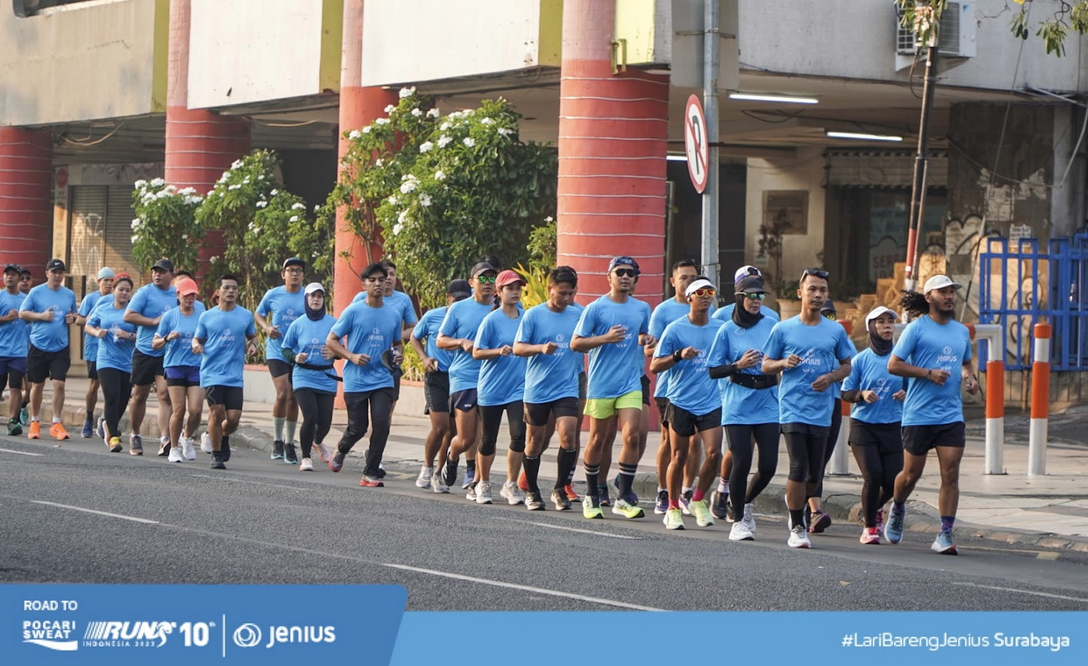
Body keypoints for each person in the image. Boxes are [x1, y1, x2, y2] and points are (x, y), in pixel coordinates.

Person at [885, 276, 979, 555]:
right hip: (918, 414)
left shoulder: (961, 331)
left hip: (950, 414)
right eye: (943, 292)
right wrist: (927, 373)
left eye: (952, 292)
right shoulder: (916, 329)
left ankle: (945, 534)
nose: (949, 296)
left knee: (950, 473)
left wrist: (970, 378)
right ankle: (898, 507)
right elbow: (893, 365)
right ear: (929, 297)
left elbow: (965, 362)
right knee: (911, 475)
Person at [761, 268, 855, 549]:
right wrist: (782, 364)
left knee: (815, 473)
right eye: (812, 289)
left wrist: (830, 377)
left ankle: (799, 510)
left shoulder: (835, 331)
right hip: (792, 408)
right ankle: (797, 525)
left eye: (822, 290)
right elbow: (766, 364)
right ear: (800, 293)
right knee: (798, 467)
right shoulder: (783, 329)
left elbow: (847, 365)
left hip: (822, 411)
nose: (817, 294)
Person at [571, 256, 653, 520]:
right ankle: (592, 494)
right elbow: (576, 343)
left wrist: (646, 338)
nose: (626, 277)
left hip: (630, 382)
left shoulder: (642, 308)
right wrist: (605, 338)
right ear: (609, 277)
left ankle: (623, 497)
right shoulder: (596, 308)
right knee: (599, 439)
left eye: (631, 273)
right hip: (601, 384)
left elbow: (640, 335)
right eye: (620, 272)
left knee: (632, 436)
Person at [708, 275, 781, 541]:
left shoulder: (773, 325)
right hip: (738, 401)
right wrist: (737, 365)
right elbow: (713, 370)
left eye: (760, 296)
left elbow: (781, 356)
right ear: (739, 297)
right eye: (751, 296)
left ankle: (746, 502)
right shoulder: (726, 329)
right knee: (741, 460)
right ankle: (738, 519)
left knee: (770, 465)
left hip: (769, 399)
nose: (756, 301)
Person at [650, 276, 724, 530]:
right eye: (700, 292)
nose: (705, 296)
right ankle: (672, 507)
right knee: (679, 455)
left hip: (711, 400)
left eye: (710, 291)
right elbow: (655, 365)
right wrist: (679, 355)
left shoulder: (719, 329)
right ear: (689, 297)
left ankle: (699, 500)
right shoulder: (675, 329)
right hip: (680, 400)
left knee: (714, 454)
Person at [325, 263, 401, 486]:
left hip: (383, 378)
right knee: (358, 427)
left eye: (381, 279)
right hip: (356, 379)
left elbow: (397, 344)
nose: (378, 283)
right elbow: (331, 340)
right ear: (364, 284)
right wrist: (351, 356)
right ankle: (342, 448)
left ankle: (370, 472)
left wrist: (397, 356)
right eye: (372, 280)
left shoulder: (393, 314)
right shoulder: (353, 311)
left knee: (381, 424)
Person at [514, 266, 583, 511]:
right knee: (534, 441)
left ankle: (559, 487)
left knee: (568, 436)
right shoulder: (533, 315)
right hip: (537, 388)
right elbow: (518, 348)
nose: (566, 299)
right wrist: (540, 348)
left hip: (567, 386)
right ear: (549, 289)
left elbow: (587, 340)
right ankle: (532, 490)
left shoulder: (579, 314)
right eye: (562, 293)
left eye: (571, 294)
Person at [842, 305, 906, 544]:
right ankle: (870, 527)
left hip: (893, 424)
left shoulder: (901, 359)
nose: (886, 326)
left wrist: (905, 393)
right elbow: (845, 393)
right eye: (880, 322)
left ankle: (874, 509)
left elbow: (914, 386)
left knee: (894, 481)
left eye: (890, 321)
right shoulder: (860, 360)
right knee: (873, 476)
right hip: (864, 425)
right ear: (871, 327)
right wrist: (862, 395)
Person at [434, 262, 497, 493]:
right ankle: (452, 454)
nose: (488, 283)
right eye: (483, 279)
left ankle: (477, 482)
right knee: (467, 438)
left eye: (492, 279)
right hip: (465, 378)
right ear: (472, 283)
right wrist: (461, 342)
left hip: (494, 379)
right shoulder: (458, 309)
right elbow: (440, 340)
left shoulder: (503, 308)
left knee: (487, 437)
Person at [471, 269, 528, 505]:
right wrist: (498, 351)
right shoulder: (491, 320)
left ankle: (510, 484)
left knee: (519, 436)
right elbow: (476, 352)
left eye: (518, 288)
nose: (515, 292)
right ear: (499, 291)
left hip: (518, 388)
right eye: (510, 288)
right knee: (488, 439)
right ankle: (483, 483)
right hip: (492, 389)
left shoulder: (527, 317)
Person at [192, 274, 258, 470]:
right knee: (216, 412)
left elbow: (252, 337)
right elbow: (197, 339)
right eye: (227, 287)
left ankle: (222, 435)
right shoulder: (207, 316)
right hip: (211, 373)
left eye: (234, 288)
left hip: (234, 376)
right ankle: (216, 454)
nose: (231, 291)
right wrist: (196, 345)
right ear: (218, 292)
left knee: (233, 419)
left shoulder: (245, 315)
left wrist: (253, 346)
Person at [411, 279, 470, 492]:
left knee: (453, 431)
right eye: (457, 299)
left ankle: (438, 472)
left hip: (460, 379)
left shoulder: (470, 317)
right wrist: (425, 358)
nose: (460, 303)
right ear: (448, 298)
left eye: (465, 299)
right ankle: (426, 467)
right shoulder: (432, 316)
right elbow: (414, 337)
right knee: (440, 427)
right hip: (437, 376)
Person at [281, 283, 339, 472]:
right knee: (310, 415)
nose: (316, 300)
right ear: (306, 299)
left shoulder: (333, 323)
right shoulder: (298, 323)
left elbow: (341, 347)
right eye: (312, 296)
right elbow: (285, 348)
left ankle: (317, 441)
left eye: (319, 296)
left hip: (326, 375)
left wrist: (334, 354)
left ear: (324, 300)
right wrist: (294, 357)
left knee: (325, 422)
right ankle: (305, 457)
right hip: (303, 375)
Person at [18, 259, 78, 441]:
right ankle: (35, 421)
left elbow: (74, 314)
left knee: (59, 383)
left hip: (60, 347)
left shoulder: (69, 294)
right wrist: (41, 316)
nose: (58, 275)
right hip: (38, 346)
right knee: (37, 385)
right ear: (47, 273)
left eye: (61, 272)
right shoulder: (36, 292)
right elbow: (22, 313)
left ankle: (56, 422)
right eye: (54, 272)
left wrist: (72, 318)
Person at [256, 257, 307, 463]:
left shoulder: (307, 296)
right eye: (290, 270)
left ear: (303, 275)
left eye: (298, 270)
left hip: (297, 353)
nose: (294, 274)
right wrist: (267, 328)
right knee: (283, 392)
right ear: (283, 274)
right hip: (277, 351)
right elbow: (259, 314)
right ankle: (277, 440)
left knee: (294, 396)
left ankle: (289, 441)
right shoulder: (273, 294)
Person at [124, 258, 177, 456]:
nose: (157, 274)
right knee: (140, 394)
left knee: (165, 394)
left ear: (171, 274)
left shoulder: (176, 294)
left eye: (162, 272)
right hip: (145, 350)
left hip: (167, 352)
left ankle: (165, 438)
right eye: (155, 271)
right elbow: (128, 316)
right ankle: (135, 434)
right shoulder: (145, 292)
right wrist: (154, 321)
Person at [153, 277, 206, 463]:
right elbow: (155, 343)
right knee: (179, 409)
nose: (189, 299)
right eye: (186, 295)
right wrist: (168, 338)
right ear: (178, 295)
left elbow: (207, 335)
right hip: (174, 366)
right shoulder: (170, 316)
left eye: (192, 295)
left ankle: (187, 437)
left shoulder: (202, 313)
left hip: (196, 366)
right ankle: (174, 447)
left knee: (196, 410)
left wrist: (200, 344)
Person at [85, 275, 138, 453]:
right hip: (106, 359)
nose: (124, 293)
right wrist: (97, 332)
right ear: (114, 290)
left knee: (123, 399)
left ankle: (107, 422)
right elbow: (87, 325)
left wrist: (128, 335)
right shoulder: (103, 308)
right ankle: (113, 436)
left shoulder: (134, 312)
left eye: (127, 290)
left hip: (127, 362)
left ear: (131, 293)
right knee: (112, 395)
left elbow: (142, 336)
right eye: (120, 289)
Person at [806, 298, 846, 533]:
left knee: (820, 460)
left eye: (830, 315)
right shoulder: (801, 336)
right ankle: (813, 511)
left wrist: (833, 376)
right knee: (804, 463)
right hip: (803, 407)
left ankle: (805, 506)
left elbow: (849, 367)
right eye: (823, 314)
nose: (827, 319)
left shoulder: (838, 337)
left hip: (832, 402)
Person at [75, 267, 115, 438]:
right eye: (105, 280)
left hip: (113, 349)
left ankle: (107, 420)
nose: (108, 283)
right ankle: (89, 418)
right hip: (94, 346)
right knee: (94, 385)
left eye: (110, 280)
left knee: (110, 388)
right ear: (98, 282)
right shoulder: (91, 299)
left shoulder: (117, 299)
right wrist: (94, 322)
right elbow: (79, 320)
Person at [0, 264, 28, 436]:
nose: (10, 277)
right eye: (7, 274)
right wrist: (6, 318)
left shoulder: (26, 299)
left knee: (16, 386)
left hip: (19, 351)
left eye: (13, 275)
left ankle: (13, 420)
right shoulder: (0, 296)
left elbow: (33, 318)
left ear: (19, 278)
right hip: (1, 350)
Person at [713, 266, 780, 323]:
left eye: (758, 282)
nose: (754, 286)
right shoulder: (721, 315)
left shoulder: (772, 317)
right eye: (748, 283)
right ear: (737, 289)